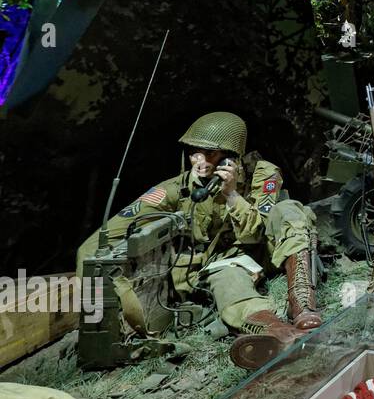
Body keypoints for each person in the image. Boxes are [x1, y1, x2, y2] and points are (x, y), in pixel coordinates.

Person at [75, 112, 321, 370]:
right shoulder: (174, 190)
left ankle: (303, 304)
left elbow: (258, 231)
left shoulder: (263, 174)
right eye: (194, 153)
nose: (200, 161)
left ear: (232, 156)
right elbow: (94, 246)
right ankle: (280, 334)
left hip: (265, 251)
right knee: (229, 282)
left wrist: (232, 195)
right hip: (222, 265)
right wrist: (112, 313)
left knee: (290, 210)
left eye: (210, 154)